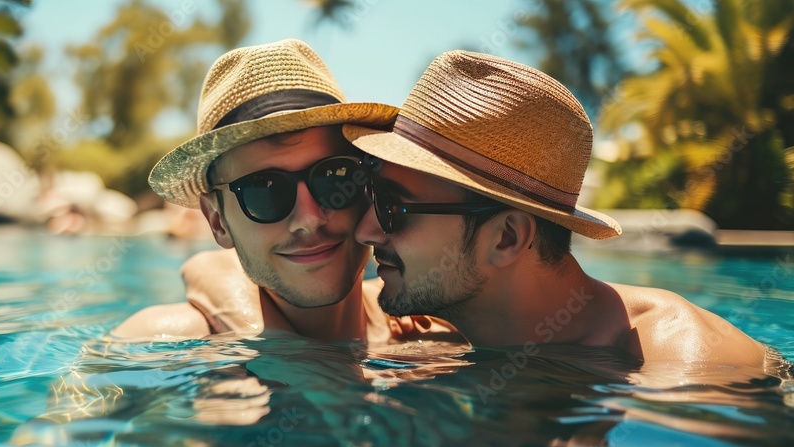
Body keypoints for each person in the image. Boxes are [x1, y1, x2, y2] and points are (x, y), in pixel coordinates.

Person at [191, 49, 768, 367]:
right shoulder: (443, 322)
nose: (365, 229)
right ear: (218, 219)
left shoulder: (682, 365)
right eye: (262, 194)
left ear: (507, 238)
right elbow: (230, 269)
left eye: (392, 207)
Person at [112, 39, 454, 345]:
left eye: (334, 177)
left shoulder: (439, 328)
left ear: (369, 184)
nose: (308, 218)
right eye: (265, 191)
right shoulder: (158, 344)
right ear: (217, 221)